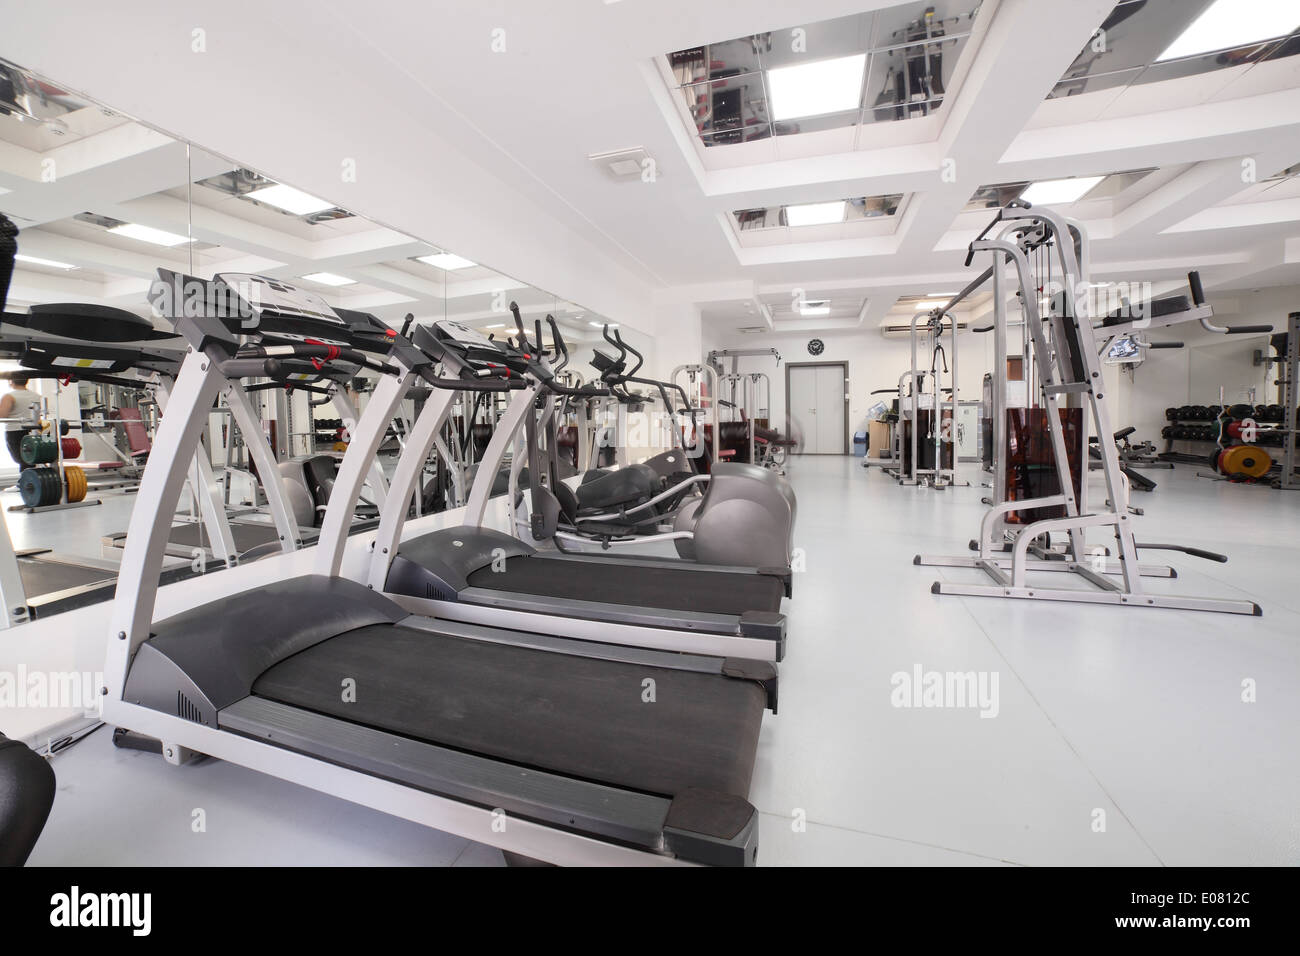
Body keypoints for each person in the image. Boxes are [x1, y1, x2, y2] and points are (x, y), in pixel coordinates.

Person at [0, 376, 41, 465]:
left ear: (11, 381)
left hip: (15, 432)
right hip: (34, 431)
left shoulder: (9, 396)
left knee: (23, 461)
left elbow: (2, 416)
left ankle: (28, 477)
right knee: (31, 459)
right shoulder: (36, 396)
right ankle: (30, 477)